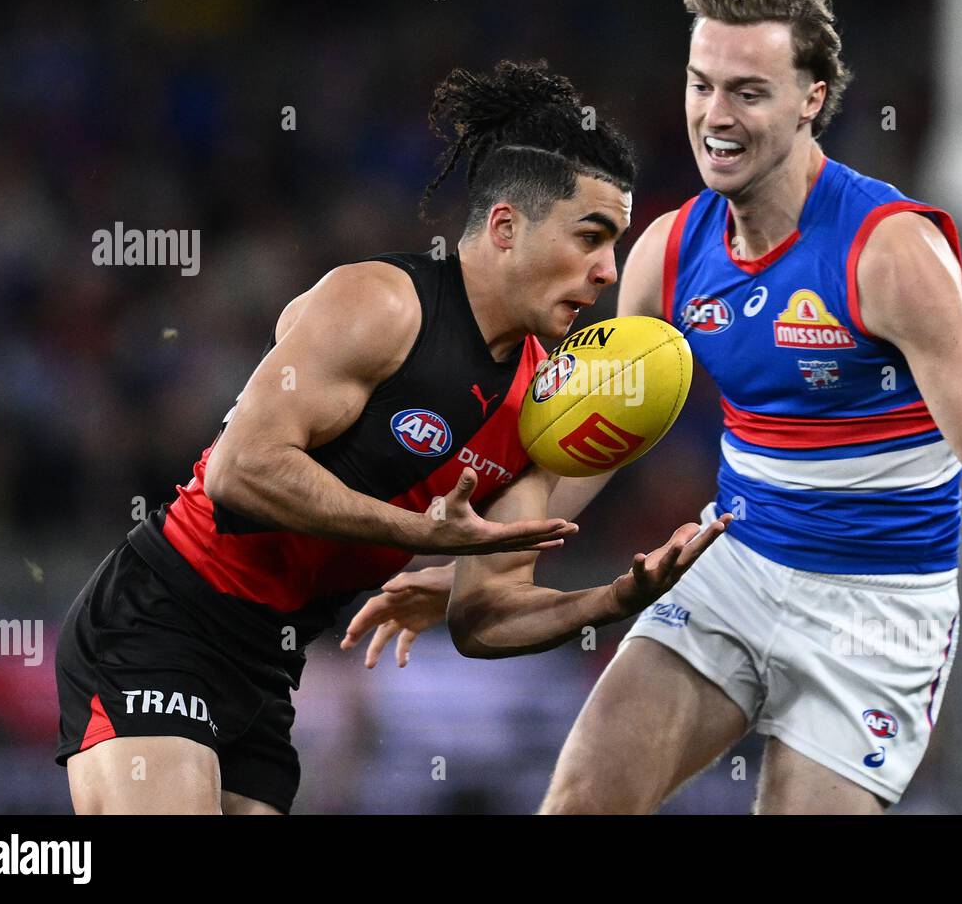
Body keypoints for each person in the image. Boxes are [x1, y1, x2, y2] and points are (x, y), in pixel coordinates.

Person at [356, 0, 962, 815]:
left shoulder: (888, 252)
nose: (716, 115)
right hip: (735, 570)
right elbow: (580, 446)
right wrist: (484, 572)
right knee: (579, 802)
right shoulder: (669, 253)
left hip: (878, 613)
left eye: (749, 92)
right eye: (701, 84)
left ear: (809, 100)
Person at [55, 60, 728, 815]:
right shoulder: (380, 304)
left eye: (616, 247)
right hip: (160, 620)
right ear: (506, 226)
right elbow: (241, 472)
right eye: (591, 238)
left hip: (267, 669)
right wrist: (422, 531)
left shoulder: (546, 408)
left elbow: (483, 617)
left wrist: (610, 598)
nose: (608, 271)